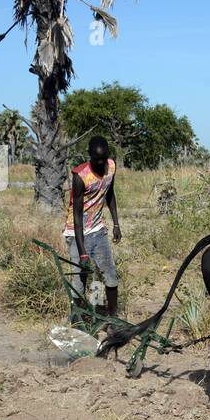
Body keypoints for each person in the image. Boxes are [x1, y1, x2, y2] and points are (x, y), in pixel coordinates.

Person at [65, 136, 121, 321]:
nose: (100, 163)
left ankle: (113, 320)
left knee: (110, 276)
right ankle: (77, 322)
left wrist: (116, 224)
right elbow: (77, 216)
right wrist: (82, 252)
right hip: (77, 234)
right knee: (79, 281)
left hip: (98, 231)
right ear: (89, 155)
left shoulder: (111, 167)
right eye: (96, 159)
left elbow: (110, 194)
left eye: (103, 159)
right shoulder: (80, 176)